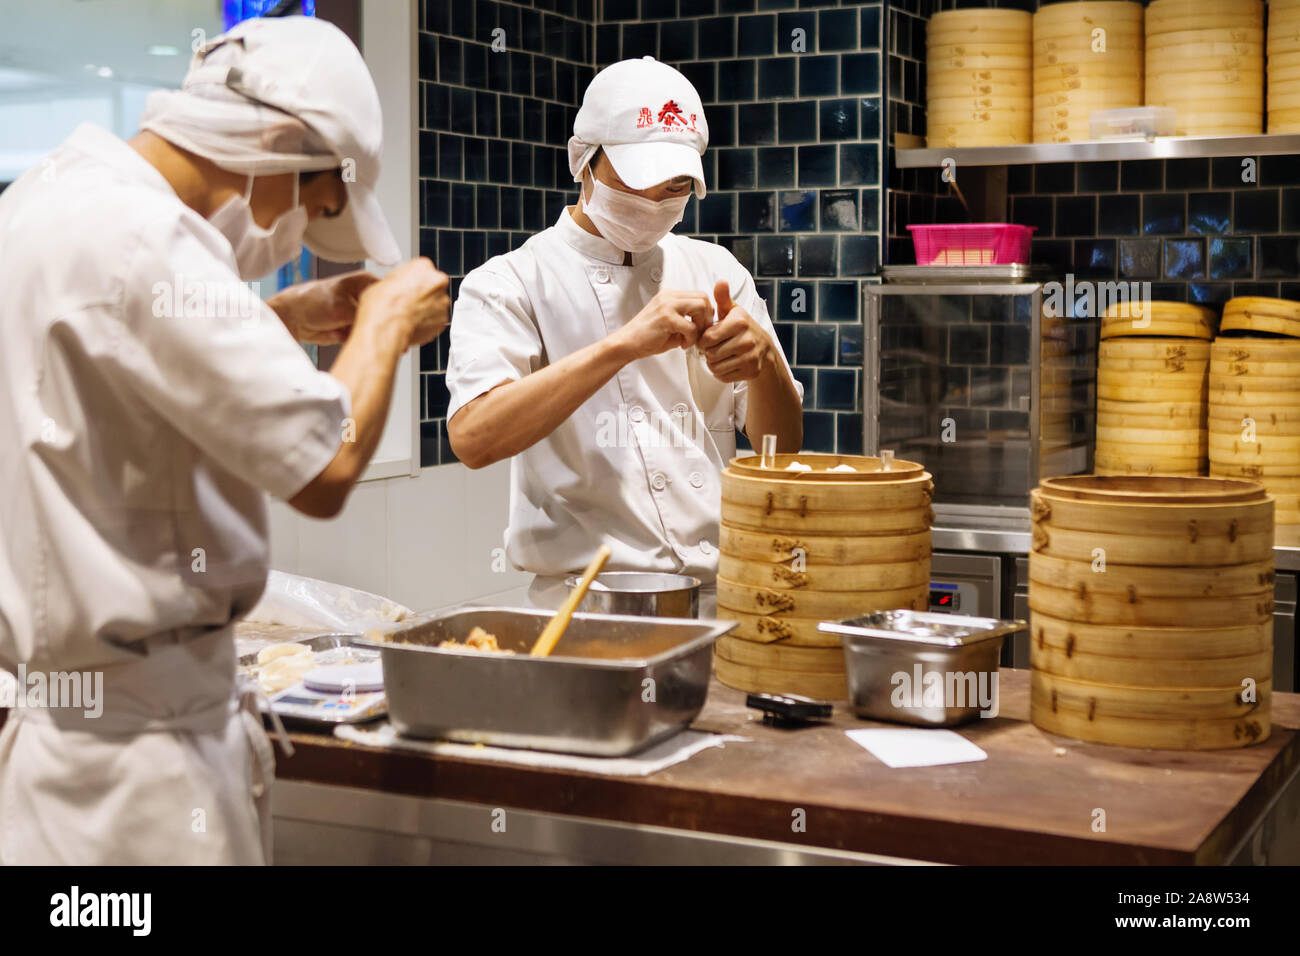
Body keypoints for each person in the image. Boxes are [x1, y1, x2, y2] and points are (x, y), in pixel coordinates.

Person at [0, 16, 449, 864]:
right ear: (276, 147)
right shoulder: (152, 241)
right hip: (147, 781)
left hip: (51, 764)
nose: (297, 233)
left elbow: (114, 373)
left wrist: (277, 318)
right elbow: (326, 465)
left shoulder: (40, 202)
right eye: (315, 205)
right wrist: (385, 326)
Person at [446, 57, 804, 611]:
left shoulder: (719, 272)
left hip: (721, 599)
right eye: (640, 181)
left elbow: (781, 447)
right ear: (584, 161)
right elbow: (474, 438)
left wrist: (765, 366)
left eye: (678, 184)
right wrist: (623, 345)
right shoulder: (509, 282)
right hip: (582, 610)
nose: (658, 199)